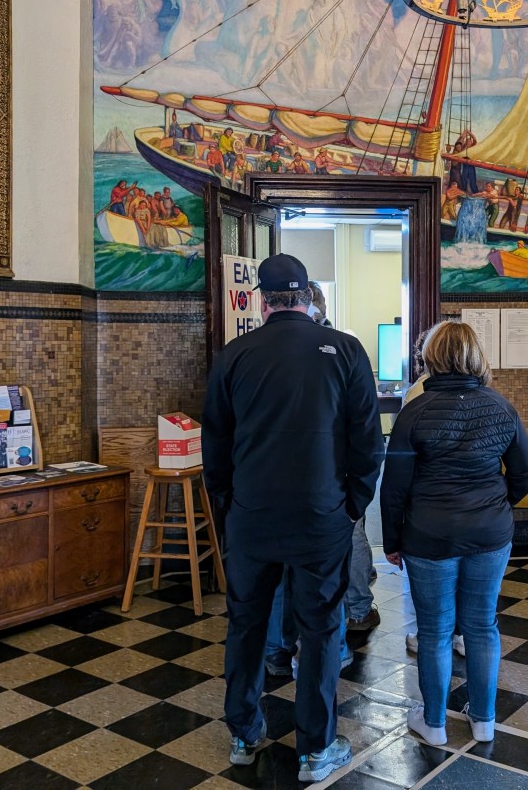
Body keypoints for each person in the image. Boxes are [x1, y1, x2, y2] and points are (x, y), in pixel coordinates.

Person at [203, 254, 384, 784]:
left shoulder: (234, 355)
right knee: (323, 628)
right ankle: (316, 749)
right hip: (321, 516)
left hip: (252, 516)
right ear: (308, 295)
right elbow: (368, 444)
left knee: (247, 625)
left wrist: (229, 504)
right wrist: (352, 504)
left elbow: (215, 446)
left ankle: (243, 734)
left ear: (262, 299)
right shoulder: (345, 351)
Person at [381, 321, 528, 748]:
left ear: (431, 358)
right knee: (482, 627)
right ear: (475, 355)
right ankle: (484, 719)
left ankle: (433, 723)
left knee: (434, 630)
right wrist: (496, 504)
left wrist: (392, 541)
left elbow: (393, 487)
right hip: (489, 534)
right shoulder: (501, 406)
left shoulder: (414, 410)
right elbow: (524, 474)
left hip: (429, 535)